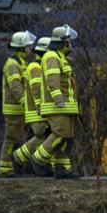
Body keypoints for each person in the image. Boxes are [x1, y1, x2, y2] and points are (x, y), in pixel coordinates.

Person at [29, 24, 81, 179]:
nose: (70, 44)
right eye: (69, 41)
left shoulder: (60, 57)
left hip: (65, 106)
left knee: (65, 138)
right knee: (60, 134)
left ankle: (61, 168)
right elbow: (53, 80)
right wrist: (59, 100)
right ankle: (38, 159)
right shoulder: (51, 56)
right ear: (63, 42)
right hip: (57, 106)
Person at [11, 36, 51, 176]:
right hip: (36, 111)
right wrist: (42, 108)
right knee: (42, 136)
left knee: (43, 137)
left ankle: (28, 165)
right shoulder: (35, 67)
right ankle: (18, 158)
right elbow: (36, 89)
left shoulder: (40, 65)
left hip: (39, 110)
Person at [0, 31, 35, 177]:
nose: (30, 48)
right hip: (13, 110)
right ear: (21, 48)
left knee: (18, 139)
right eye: (28, 46)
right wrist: (26, 103)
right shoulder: (12, 64)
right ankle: (5, 169)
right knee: (11, 139)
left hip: (20, 109)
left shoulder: (21, 63)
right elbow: (16, 87)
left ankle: (14, 168)